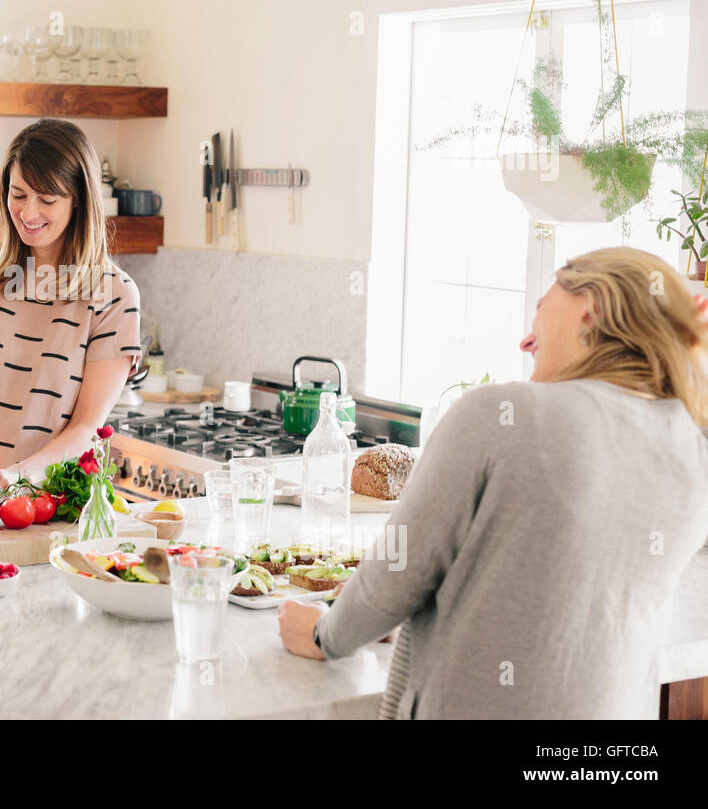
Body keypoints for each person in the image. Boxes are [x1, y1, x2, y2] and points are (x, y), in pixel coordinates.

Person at [278, 247, 708, 718]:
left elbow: (393, 576)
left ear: (593, 308)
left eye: (540, 311)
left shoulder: (501, 415)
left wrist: (324, 635)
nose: (525, 342)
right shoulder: (690, 443)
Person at [0, 118, 142, 500]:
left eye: (47, 199)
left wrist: (19, 477)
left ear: (78, 198)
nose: (28, 212)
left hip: (39, 505)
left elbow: (85, 428)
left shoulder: (114, 295)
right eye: (18, 194)